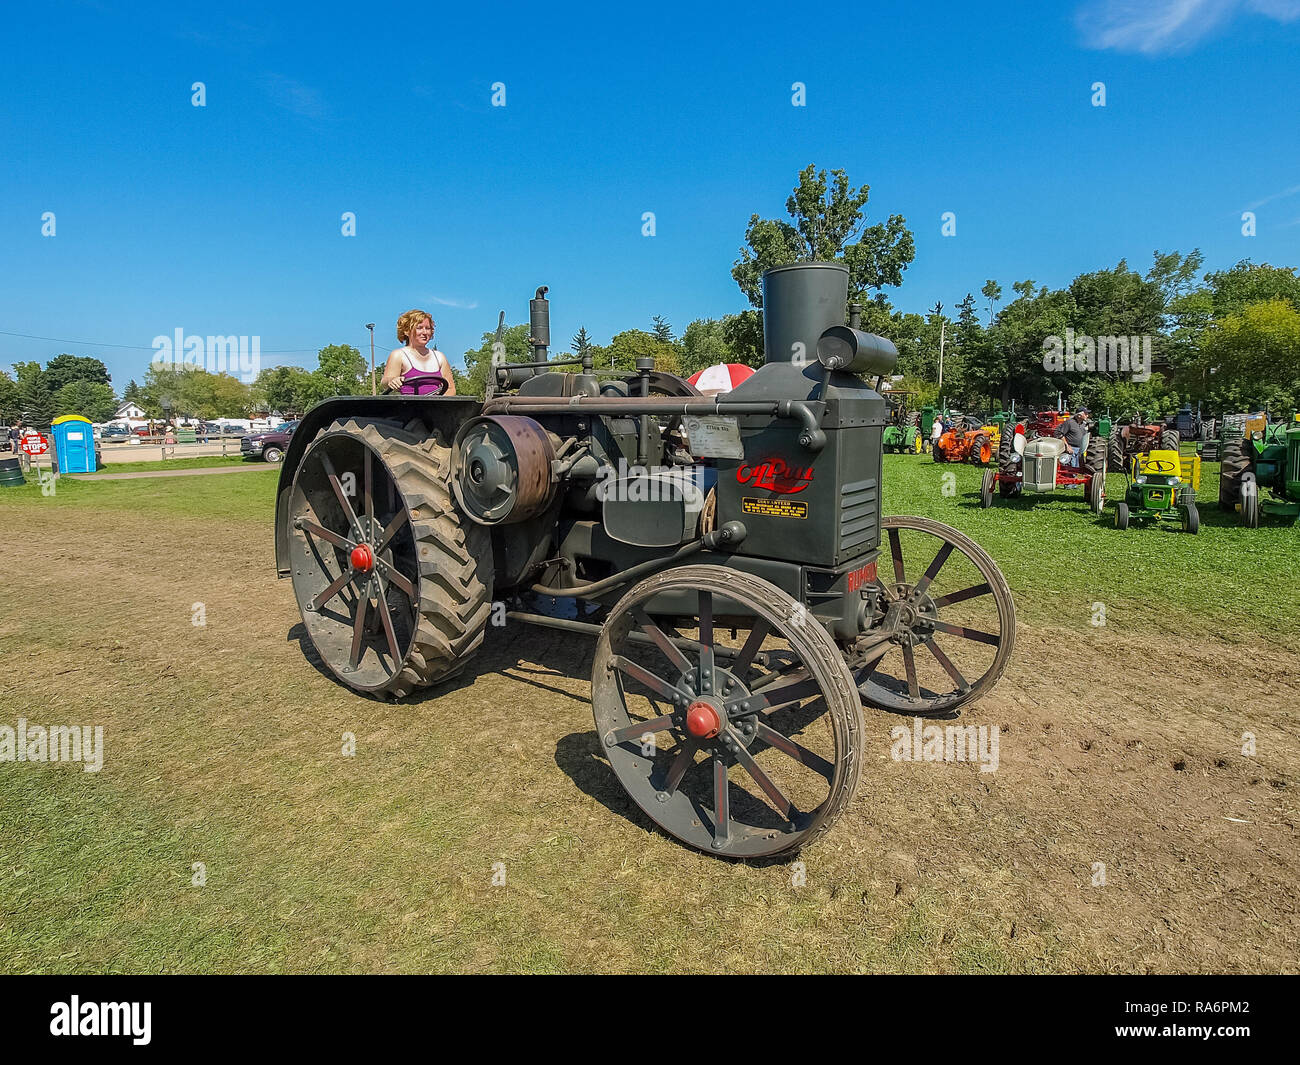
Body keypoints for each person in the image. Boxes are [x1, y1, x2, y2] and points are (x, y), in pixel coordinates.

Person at [380, 310, 457, 396]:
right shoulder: (399, 355)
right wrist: (392, 380)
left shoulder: (439, 357)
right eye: (419, 328)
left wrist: (438, 404)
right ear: (406, 331)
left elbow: (450, 388)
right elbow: (385, 381)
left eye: (428, 328)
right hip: (408, 407)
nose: (424, 332)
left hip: (435, 408)